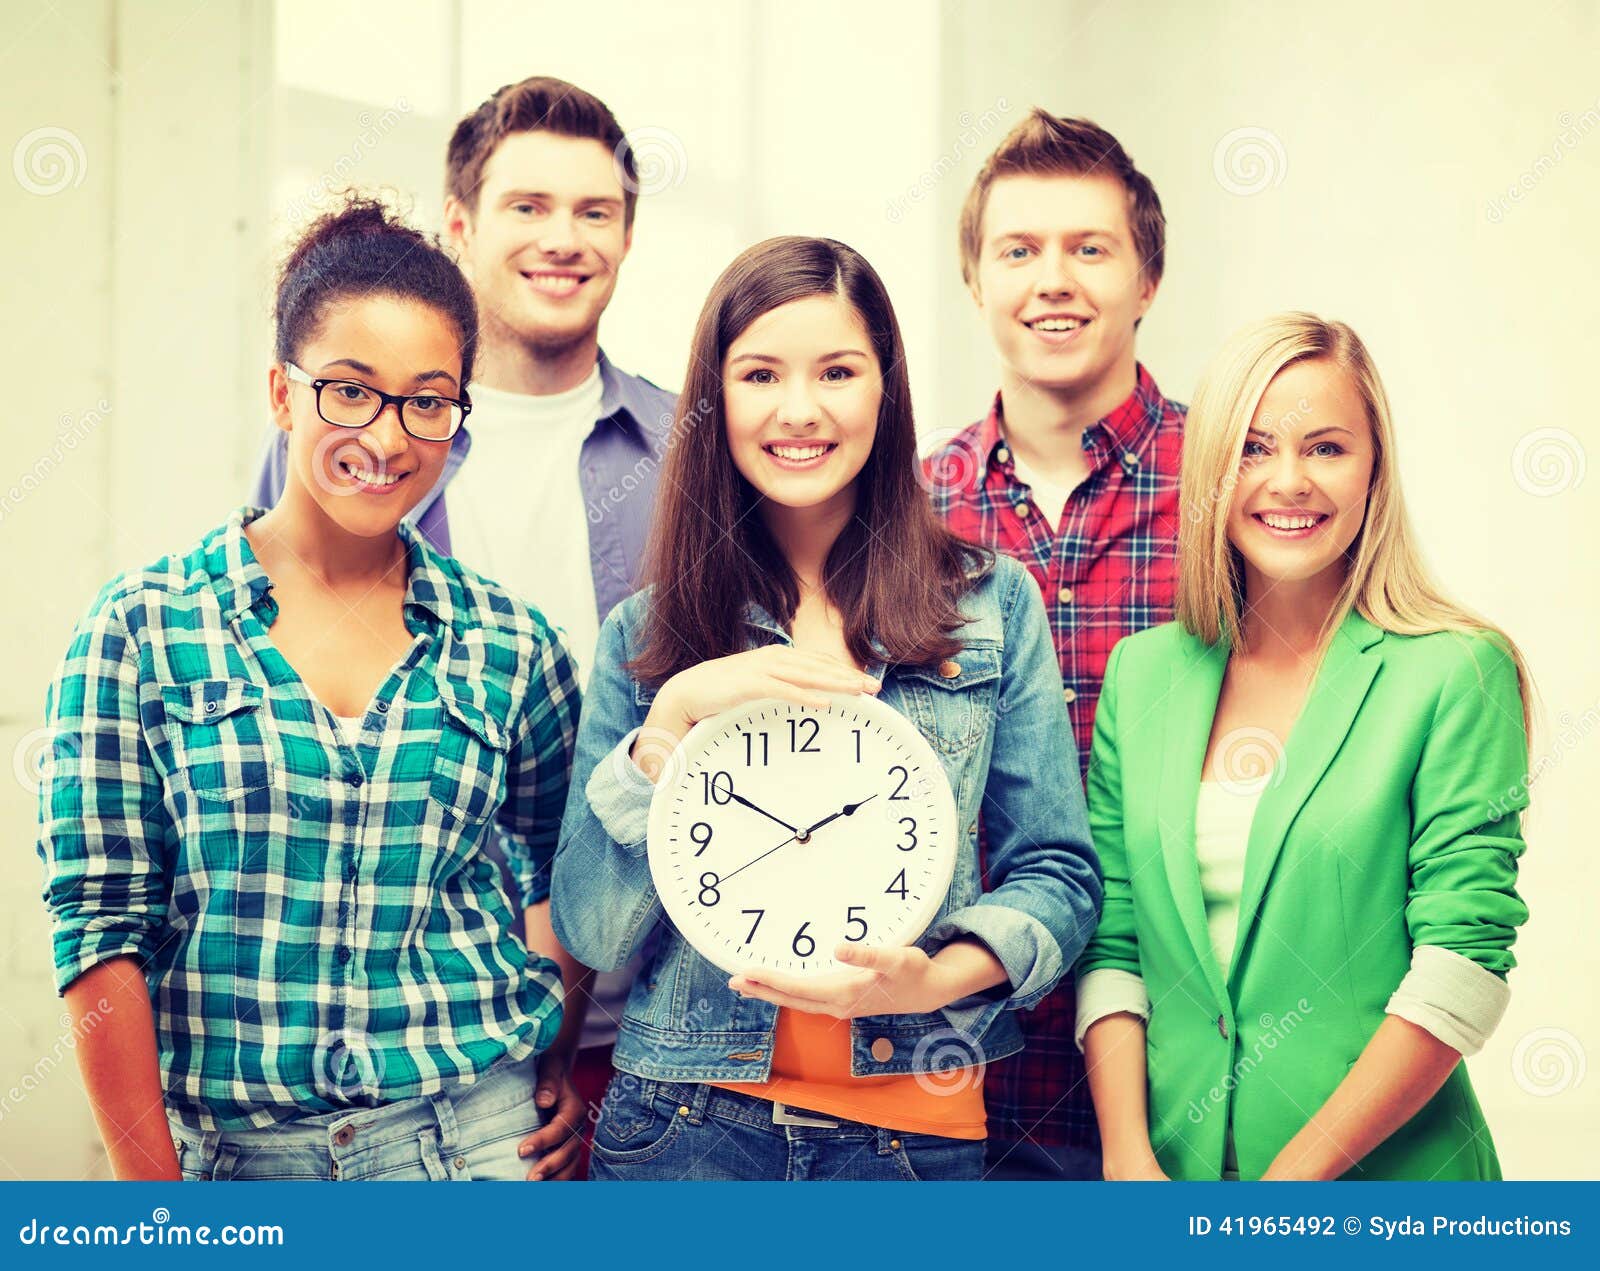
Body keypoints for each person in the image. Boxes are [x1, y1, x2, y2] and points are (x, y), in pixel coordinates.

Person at [37, 199, 582, 1181]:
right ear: (283, 394)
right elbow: (98, 928)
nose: (388, 434)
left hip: (475, 1144)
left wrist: (554, 1061)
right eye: (350, 391)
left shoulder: (512, 643)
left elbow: (558, 875)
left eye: (429, 399)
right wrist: (152, 1203)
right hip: (235, 1161)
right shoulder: (140, 626)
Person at [549, 235, 1102, 1181]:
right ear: (716, 399)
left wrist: (936, 977)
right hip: (684, 1128)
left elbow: (1058, 874)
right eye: (760, 374)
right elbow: (592, 932)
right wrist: (670, 720)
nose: (799, 410)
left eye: (837, 371)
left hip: (914, 1135)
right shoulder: (650, 633)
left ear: (884, 389)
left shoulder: (989, 602)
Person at [253, 77, 678, 1172]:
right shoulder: (349, 444)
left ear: (627, 234)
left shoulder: (688, 453)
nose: (563, 238)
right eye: (527, 205)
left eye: (595, 211)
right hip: (404, 1039)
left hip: (649, 1025)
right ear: (460, 226)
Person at [1077, 313, 1532, 1180]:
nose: (1289, 481)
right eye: (1252, 448)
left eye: (1326, 448)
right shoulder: (1143, 675)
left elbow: (1463, 962)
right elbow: (1116, 945)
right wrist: (1127, 1153)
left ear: (1375, 471)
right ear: (1210, 470)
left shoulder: (1456, 670)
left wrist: (1292, 1186)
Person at [921, 109, 1185, 1180]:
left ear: (1146, 279)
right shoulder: (903, 511)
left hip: (1184, 1057)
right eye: (1018, 251)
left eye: (1090, 248)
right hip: (955, 1063)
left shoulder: (1235, 493)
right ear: (977, 282)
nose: (1053, 280)